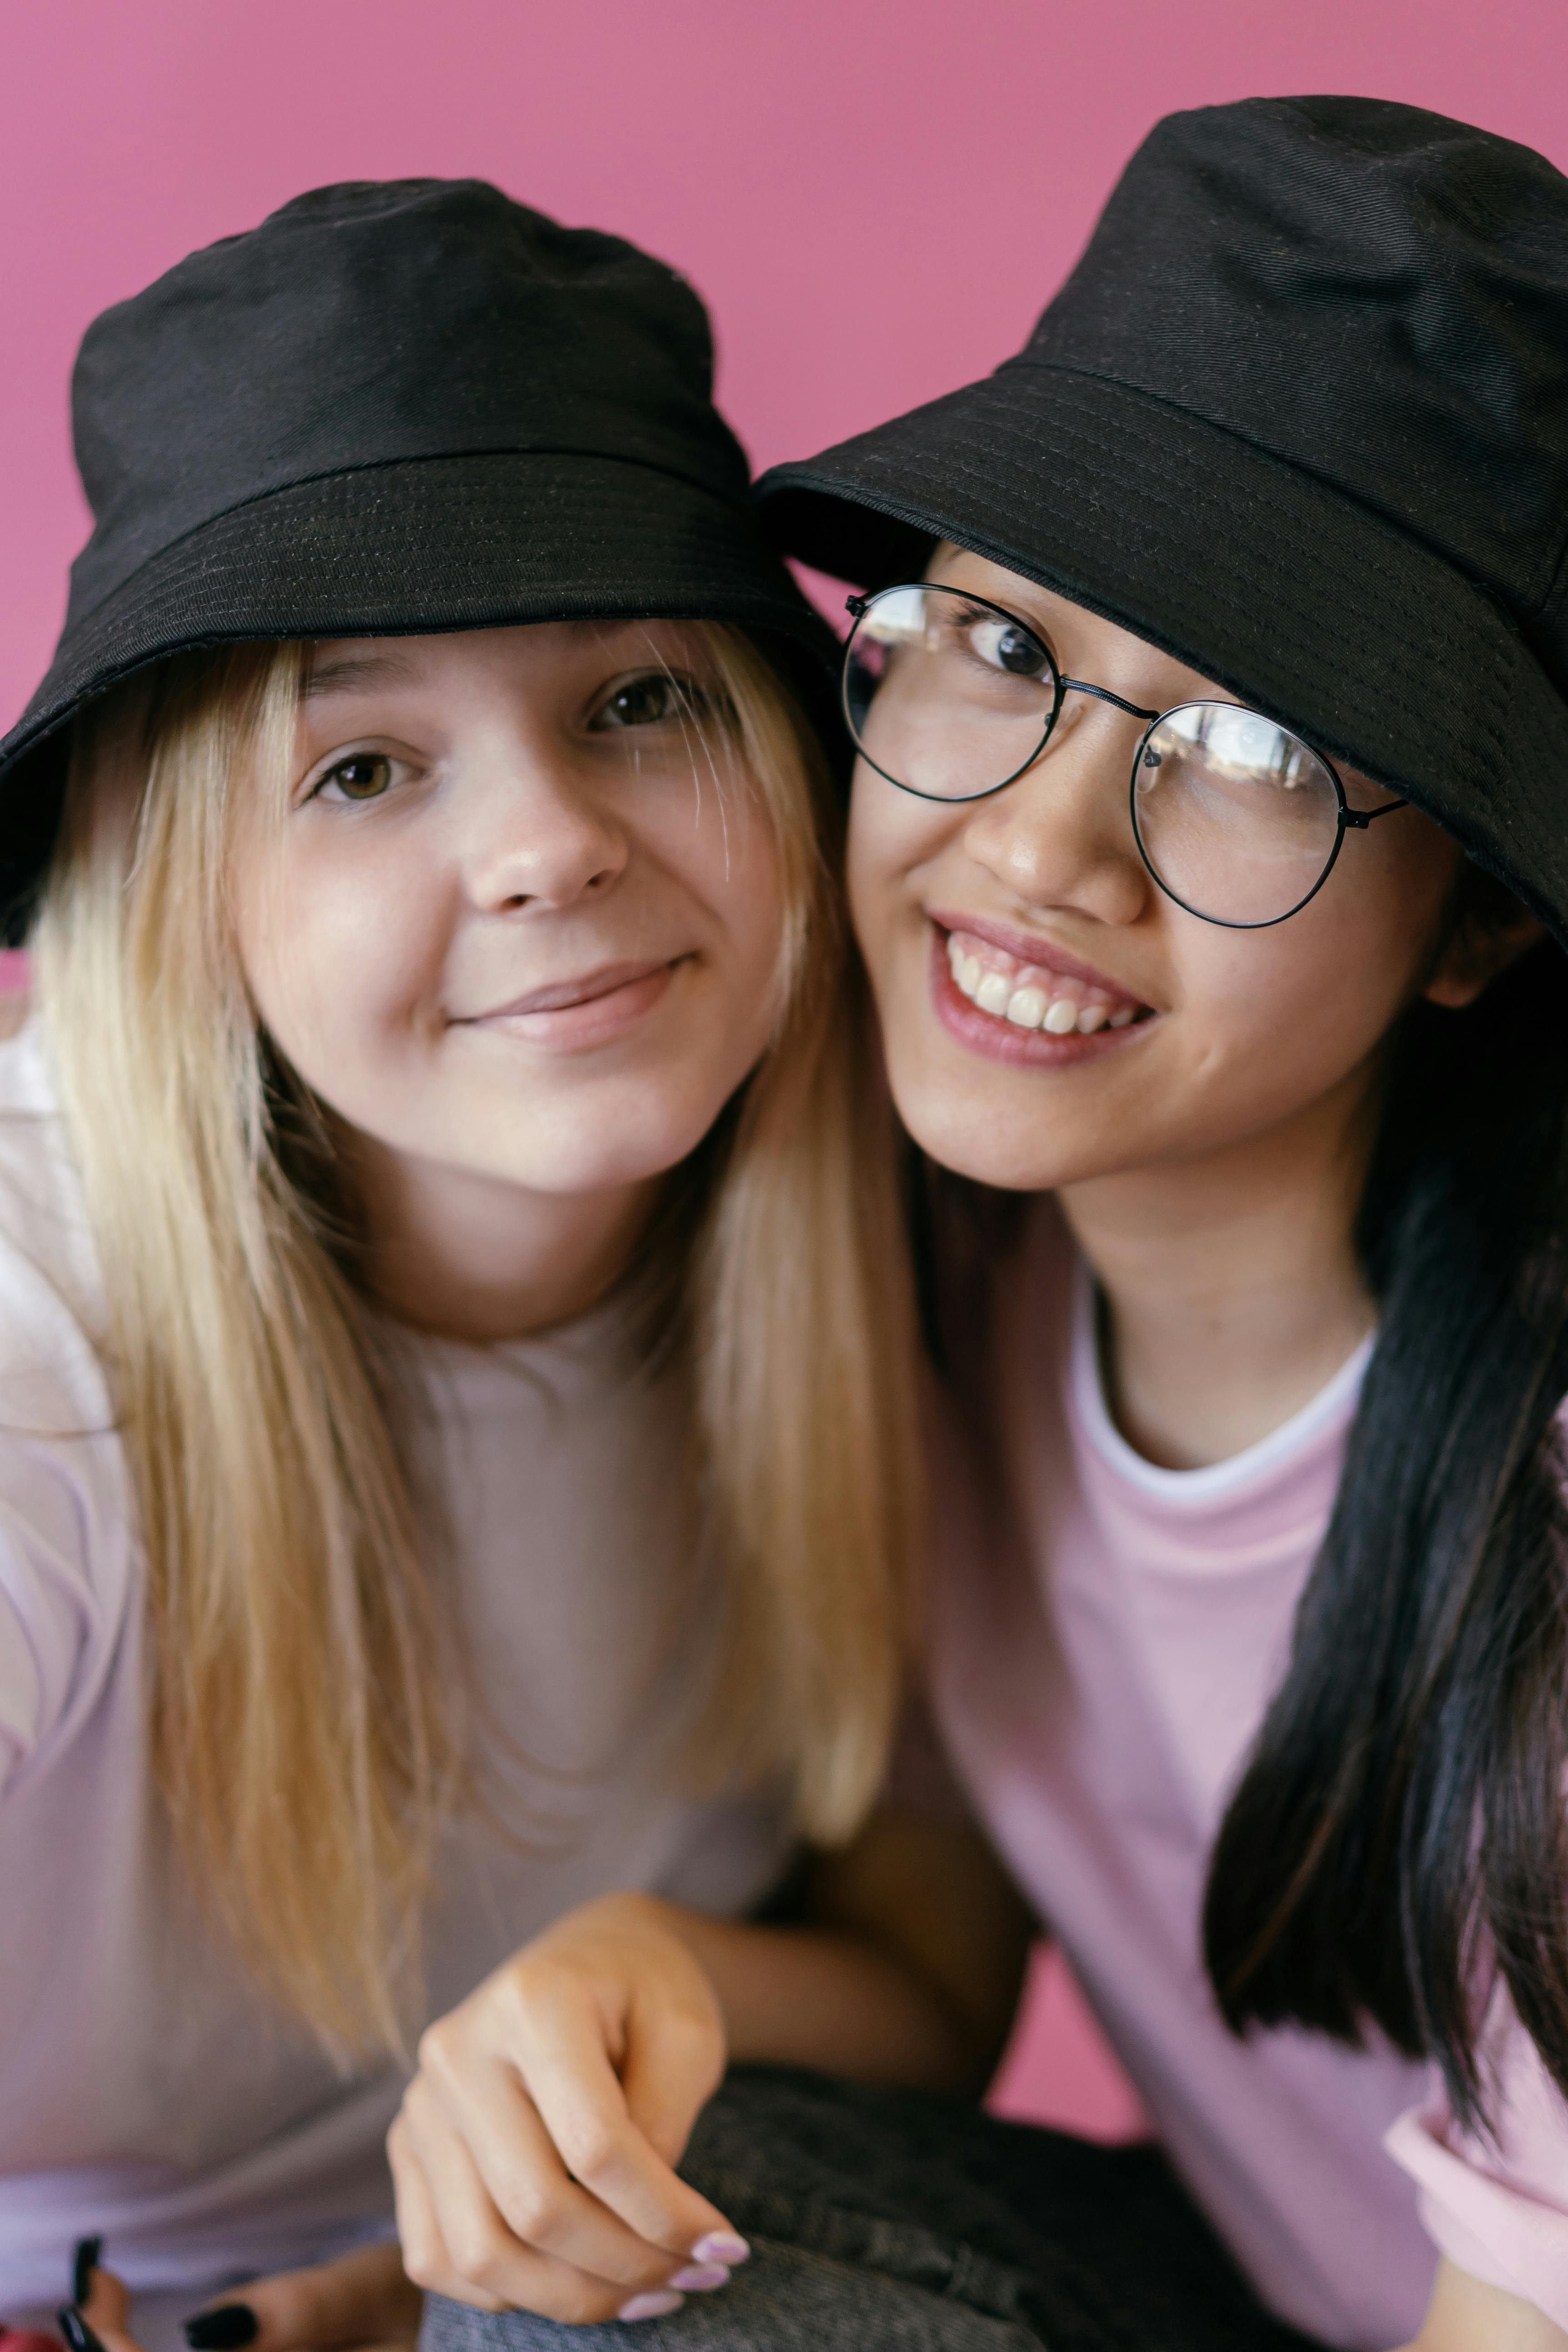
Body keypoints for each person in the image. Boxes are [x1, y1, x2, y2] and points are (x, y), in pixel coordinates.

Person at [401, 99, 1568, 2352]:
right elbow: (937, 1960)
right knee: (620, 2250)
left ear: (1476, 932)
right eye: (1003, 648)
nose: (1042, 848)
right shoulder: (946, 1278)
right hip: (1245, 2292)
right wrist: (636, 1970)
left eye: (1249, 748)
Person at [0, 177, 1026, 2352]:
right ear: (185, 889)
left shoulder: (922, 1227)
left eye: (640, 696)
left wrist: (621, 1990)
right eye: (364, 761)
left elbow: (930, 1979)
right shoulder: (44, 1343)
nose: (548, 842)